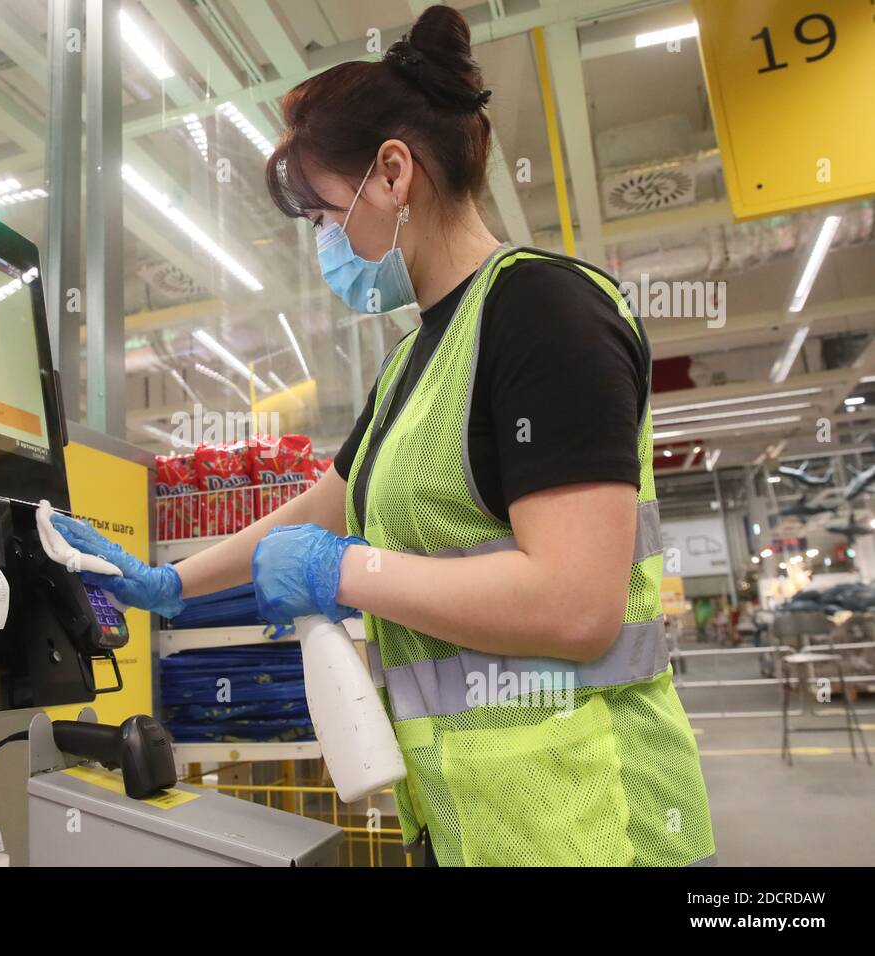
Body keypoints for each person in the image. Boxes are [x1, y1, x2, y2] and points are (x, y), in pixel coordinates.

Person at [51, 3, 715, 866]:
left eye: (326, 214)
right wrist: (170, 585)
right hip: (477, 820)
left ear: (394, 174)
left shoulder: (546, 312)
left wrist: (347, 573)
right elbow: (327, 506)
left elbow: (578, 605)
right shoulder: (415, 361)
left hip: (598, 823)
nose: (325, 243)